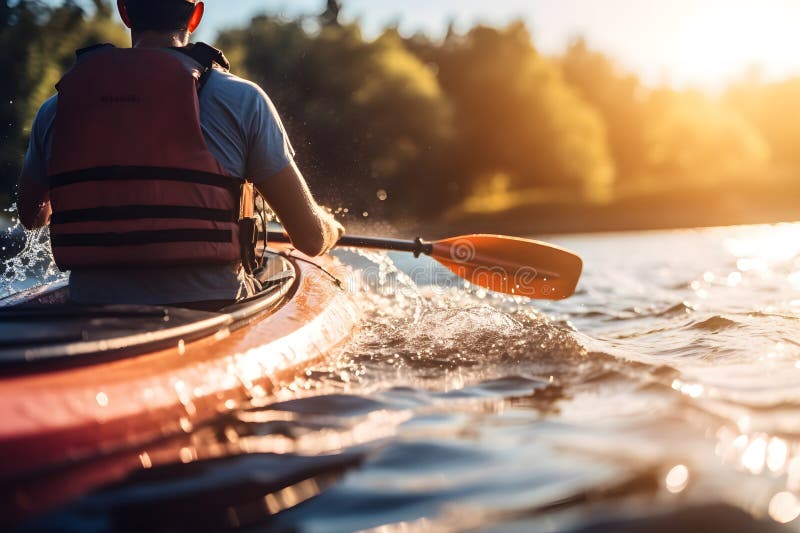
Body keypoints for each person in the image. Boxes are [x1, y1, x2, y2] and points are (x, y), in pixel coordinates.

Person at [16, 0, 343, 309]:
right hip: (211, 308)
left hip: (89, 309)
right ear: (195, 16)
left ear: (124, 12)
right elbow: (310, 239)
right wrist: (331, 228)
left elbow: (32, 217)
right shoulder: (242, 100)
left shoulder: (56, 108)